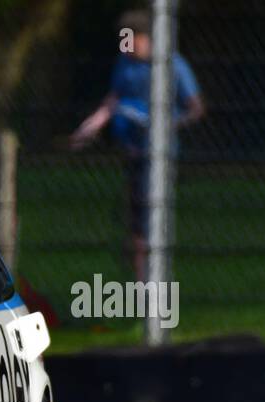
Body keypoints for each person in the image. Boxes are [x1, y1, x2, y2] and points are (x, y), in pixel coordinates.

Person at [70, 9, 204, 282]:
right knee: (135, 226)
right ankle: (143, 291)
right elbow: (112, 103)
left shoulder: (173, 65)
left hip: (160, 158)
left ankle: (155, 289)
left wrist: (163, 125)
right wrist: (88, 128)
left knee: (150, 223)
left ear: (147, 38)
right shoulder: (124, 64)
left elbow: (196, 109)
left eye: (130, 40)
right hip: (133, 155)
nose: (125, 46)